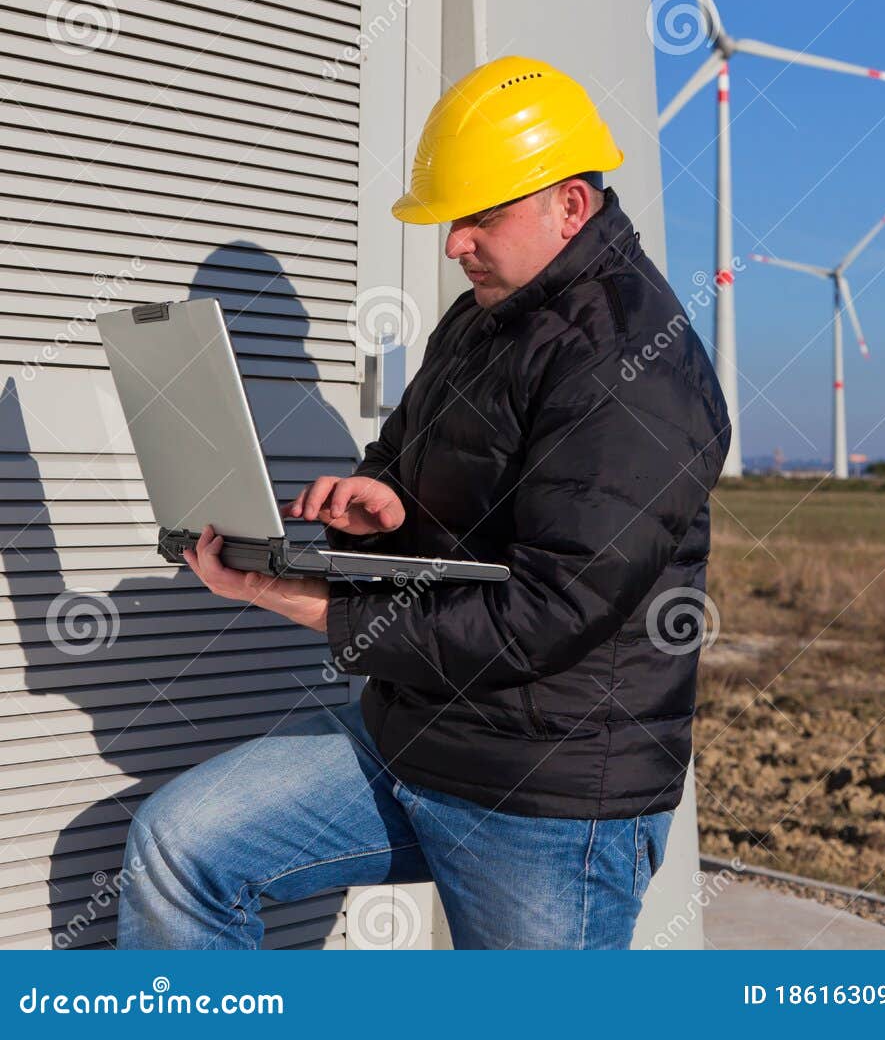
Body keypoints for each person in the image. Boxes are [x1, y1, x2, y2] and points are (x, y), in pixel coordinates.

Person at [117, 55, 731, 951]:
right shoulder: (480, 318)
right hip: (416, 739)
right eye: (451, 221)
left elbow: (549, 609)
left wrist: (296, 598)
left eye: (480, 217)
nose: (453, 244)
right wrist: (383, 502)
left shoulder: (633, 364)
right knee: (180, 850)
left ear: (572, 204)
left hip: (545, 793)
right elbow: (401, 463)